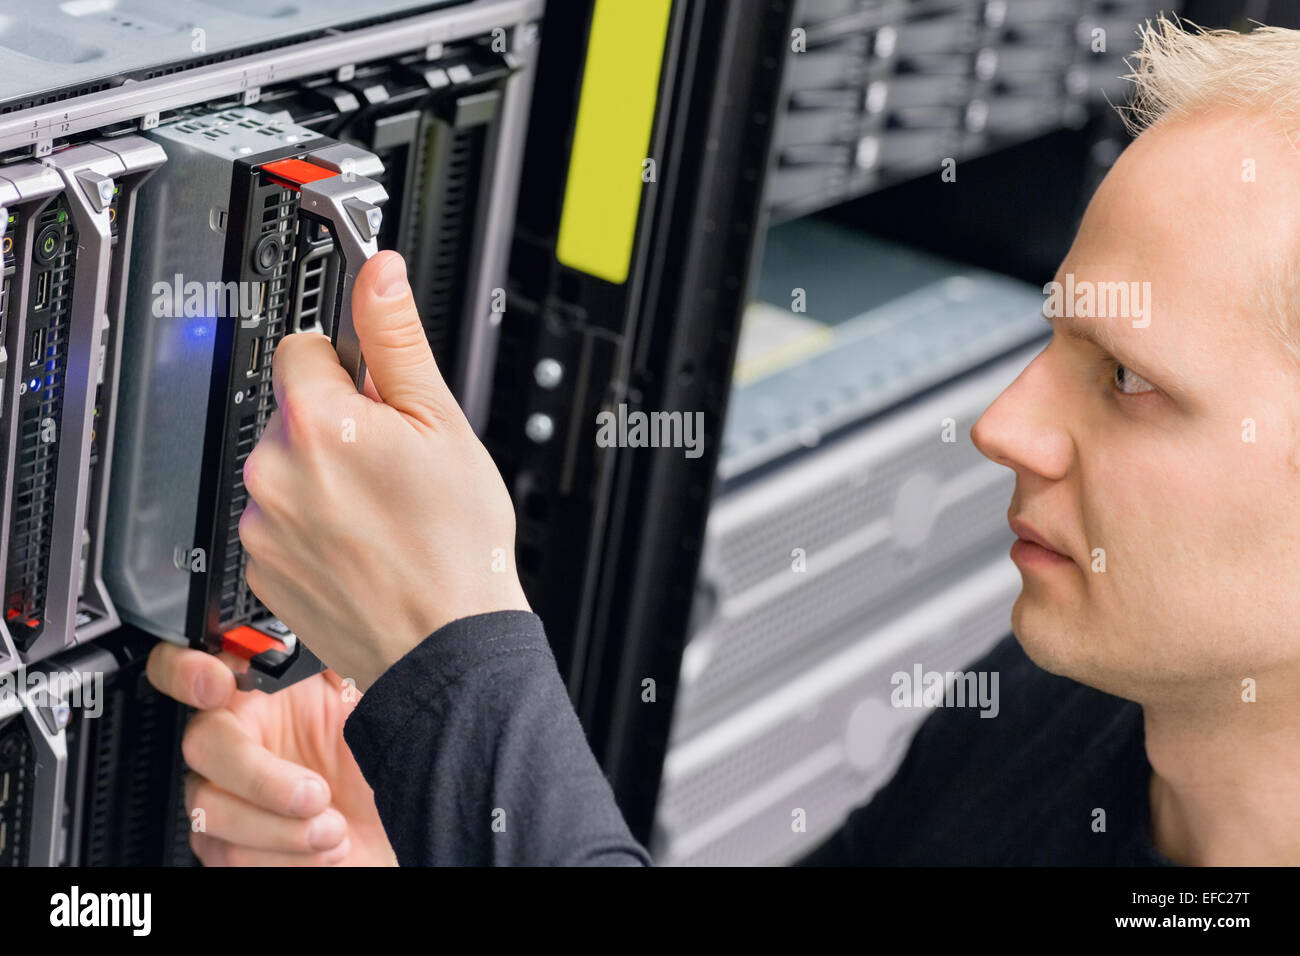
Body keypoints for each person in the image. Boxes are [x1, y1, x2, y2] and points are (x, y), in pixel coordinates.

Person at [146, 17, 1300, 866]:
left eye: (1127, 379)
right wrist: (413, 830)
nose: (1004, 426)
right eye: (1056, 337)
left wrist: (448, 666)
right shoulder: (1077, 714)